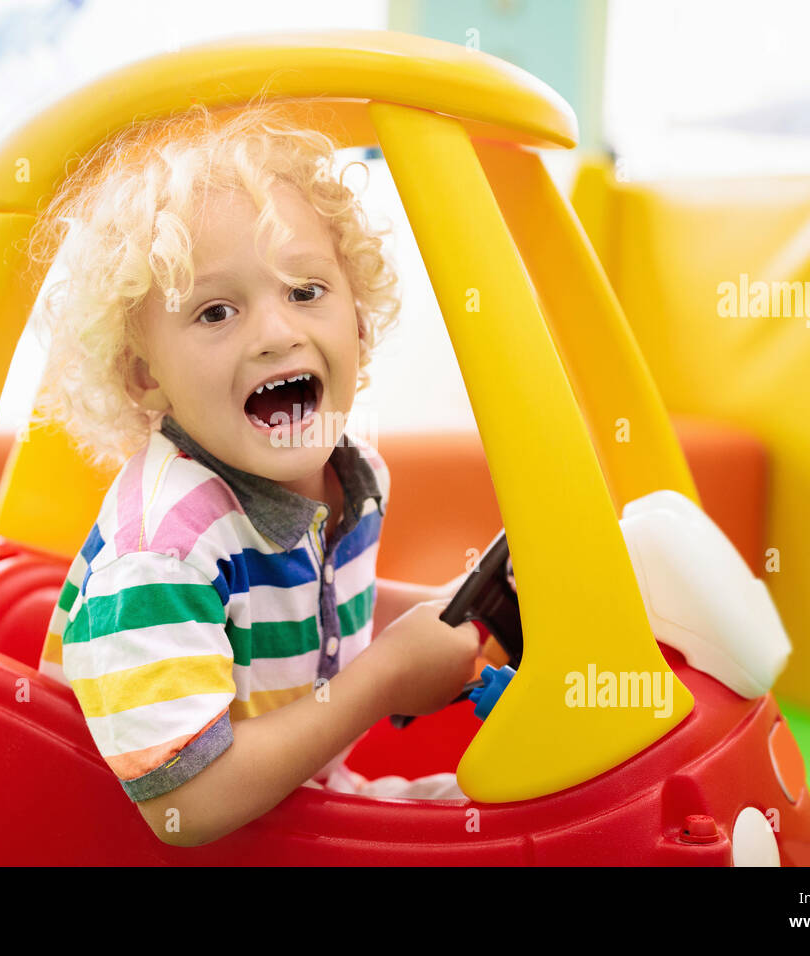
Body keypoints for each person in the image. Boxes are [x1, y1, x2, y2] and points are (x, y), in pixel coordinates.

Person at [30, 96, 482, 848]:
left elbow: (312, 603)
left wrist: (447, 607)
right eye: (215, 312)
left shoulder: (353, 474)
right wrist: (384, 681)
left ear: (361, 324)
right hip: (170, 845)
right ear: (146, 376)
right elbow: (188, 805)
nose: (277, 332)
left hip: (299, 809)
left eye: (306, 292)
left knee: (525, 801)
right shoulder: (161, 554)